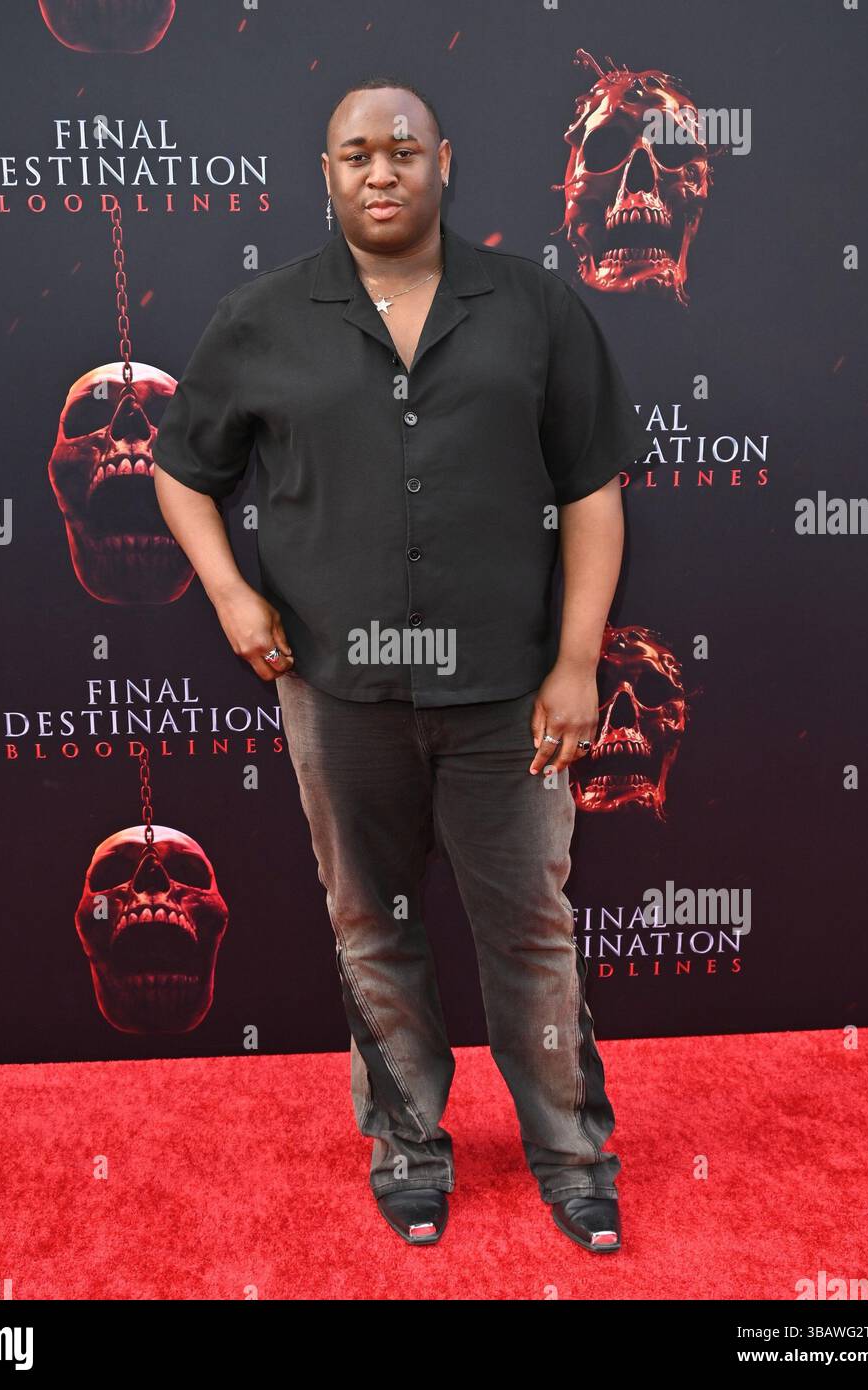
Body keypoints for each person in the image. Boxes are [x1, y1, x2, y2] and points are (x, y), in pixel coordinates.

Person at [152, 76, 645, 1252]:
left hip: (510, 699)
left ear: (444, 163)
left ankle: (571, 1155)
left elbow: (591, 492)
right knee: (370, 924)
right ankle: (409, 1148)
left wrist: (578, 661)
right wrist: (230, 592)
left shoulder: (535, 310)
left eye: (403, 151)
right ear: (325, 172)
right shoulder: (260, 319)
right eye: (356, 153)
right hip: (335, 691)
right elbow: (182, 468)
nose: (381, 171)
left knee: (529, 929)